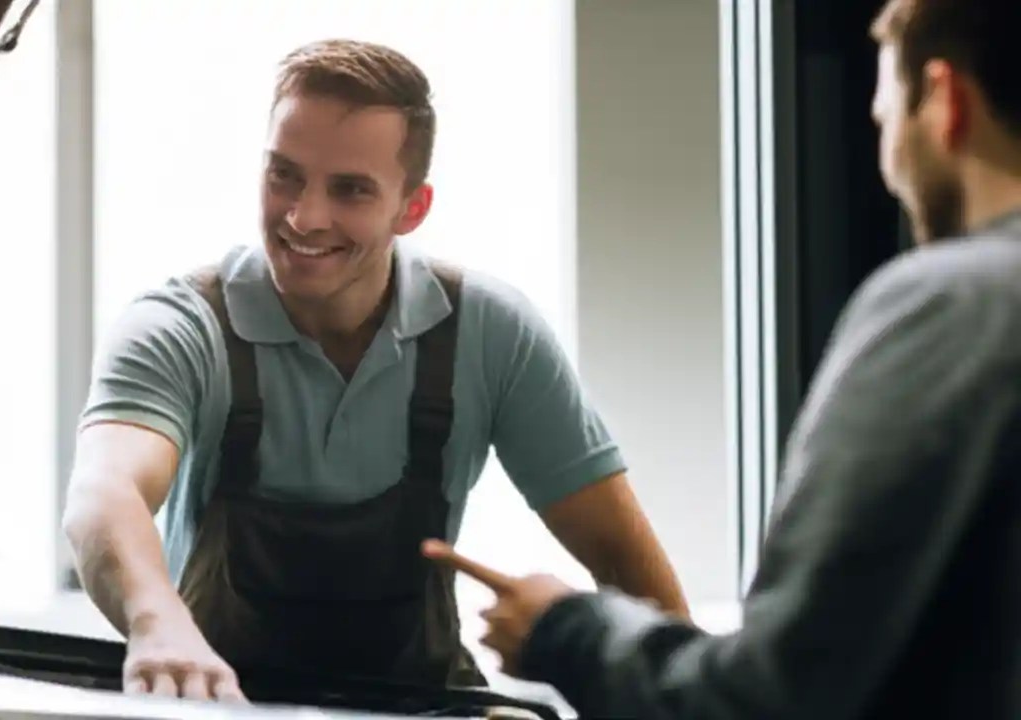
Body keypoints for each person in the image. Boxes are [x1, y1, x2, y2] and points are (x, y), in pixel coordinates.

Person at [425, 0, 1021, 717]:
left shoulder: (955, 304)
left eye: (887, 114)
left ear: (945, 101)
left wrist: (566, 631)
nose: (889, 161)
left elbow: (772, 695)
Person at [61, 38, 690, 702]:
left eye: (351, 190)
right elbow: (104, 493)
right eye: (284, 175)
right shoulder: (180, 326)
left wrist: (688, 701)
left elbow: (623, 559)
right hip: (221, 708)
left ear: (411, 208)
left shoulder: (491, 333)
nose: (305, 217)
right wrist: (159, 627)